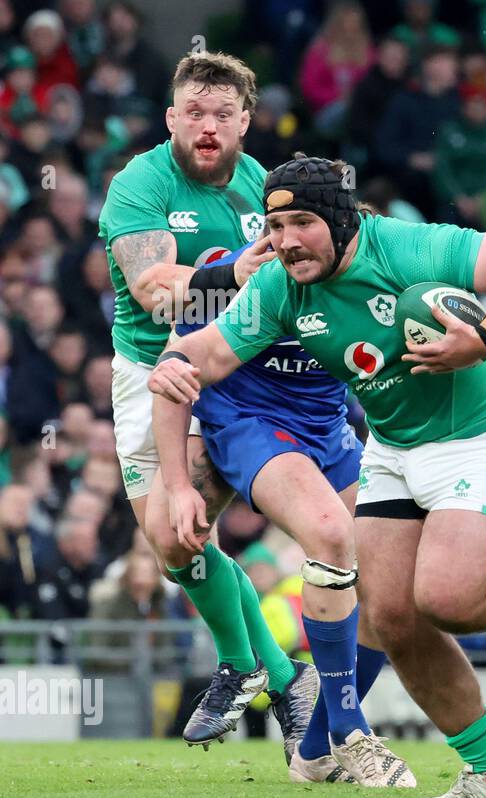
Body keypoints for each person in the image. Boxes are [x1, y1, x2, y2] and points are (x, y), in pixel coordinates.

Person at [148, 155, 486, 798]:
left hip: (481, 433)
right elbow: (206, 351)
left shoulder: (404, 247)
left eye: (302, 223)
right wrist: (175, 365)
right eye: (275, 224)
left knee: (448, 598)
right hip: (395, 447)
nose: (286, 239)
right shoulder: (278, 285)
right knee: (389, 615)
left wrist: (485, 337)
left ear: (341, 220)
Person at [97, 51, 318, 755]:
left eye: (224, 113)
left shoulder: (265, 191)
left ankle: (247, 665)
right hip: (145, 373)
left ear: (246, 122)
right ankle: (285, 681)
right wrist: (230, 271)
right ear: (171, 118)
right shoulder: (140, 182)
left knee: (180, 533)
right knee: (172, 549)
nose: (208, 124)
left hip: (230, 379)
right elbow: (152, 289)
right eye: (194, 110)